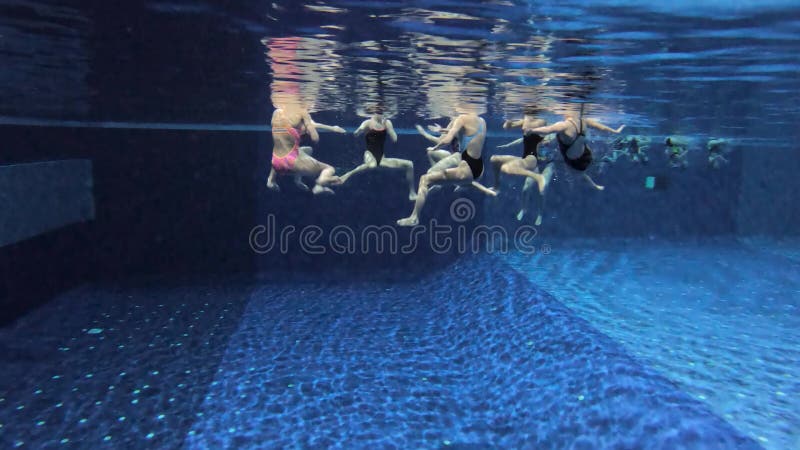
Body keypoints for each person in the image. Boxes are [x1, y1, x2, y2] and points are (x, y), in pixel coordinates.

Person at [397, 113, 496, 226]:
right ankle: (484, 190)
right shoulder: (482, 121)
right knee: (461, 180)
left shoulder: (461, 118)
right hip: (478, 168)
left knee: (425, 179)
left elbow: (447, 140)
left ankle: (414, 218)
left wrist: (435, 147)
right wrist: (442, 130)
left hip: (466, 170)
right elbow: (464, 130)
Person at [526, 104, 625, 190]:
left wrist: (532, 131)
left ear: (567, 113)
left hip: (573, 159)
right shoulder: (585, 121)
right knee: (579, 170)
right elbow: (603, 128)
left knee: (575, 171)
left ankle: (594, 185)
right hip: (586, 155)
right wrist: (615, 131)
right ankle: (594, 185)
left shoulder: (564, 125)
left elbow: (547, 130)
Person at [491, 105, 555, 225]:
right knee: (526, 188)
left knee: (542, 190)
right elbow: (522, 137)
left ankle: (540, 213)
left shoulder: (548, 127)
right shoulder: (529, 124)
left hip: (548, 164)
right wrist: (508, 144)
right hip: (535, 162)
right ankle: (524, 208)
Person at [266, 105, 346, 194]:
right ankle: (319, 185)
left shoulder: (276, 113)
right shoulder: (301, 114)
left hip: (276, 163)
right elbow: (315, 137)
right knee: (328, 169)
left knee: (308, 150)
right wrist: (333, 128)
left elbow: (312, 124)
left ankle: (271, 180)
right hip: (292, 163)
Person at [340, 111, 417, 200]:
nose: (381, 113)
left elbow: (394, 139)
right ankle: (347, 175)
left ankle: (412, 193)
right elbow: (356, 133)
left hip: (382, 157)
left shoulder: (387, 122)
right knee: (373, 165)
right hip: (369, 154)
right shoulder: (367, 122)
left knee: (409, 164)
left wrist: (388, 128)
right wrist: (361, 130)